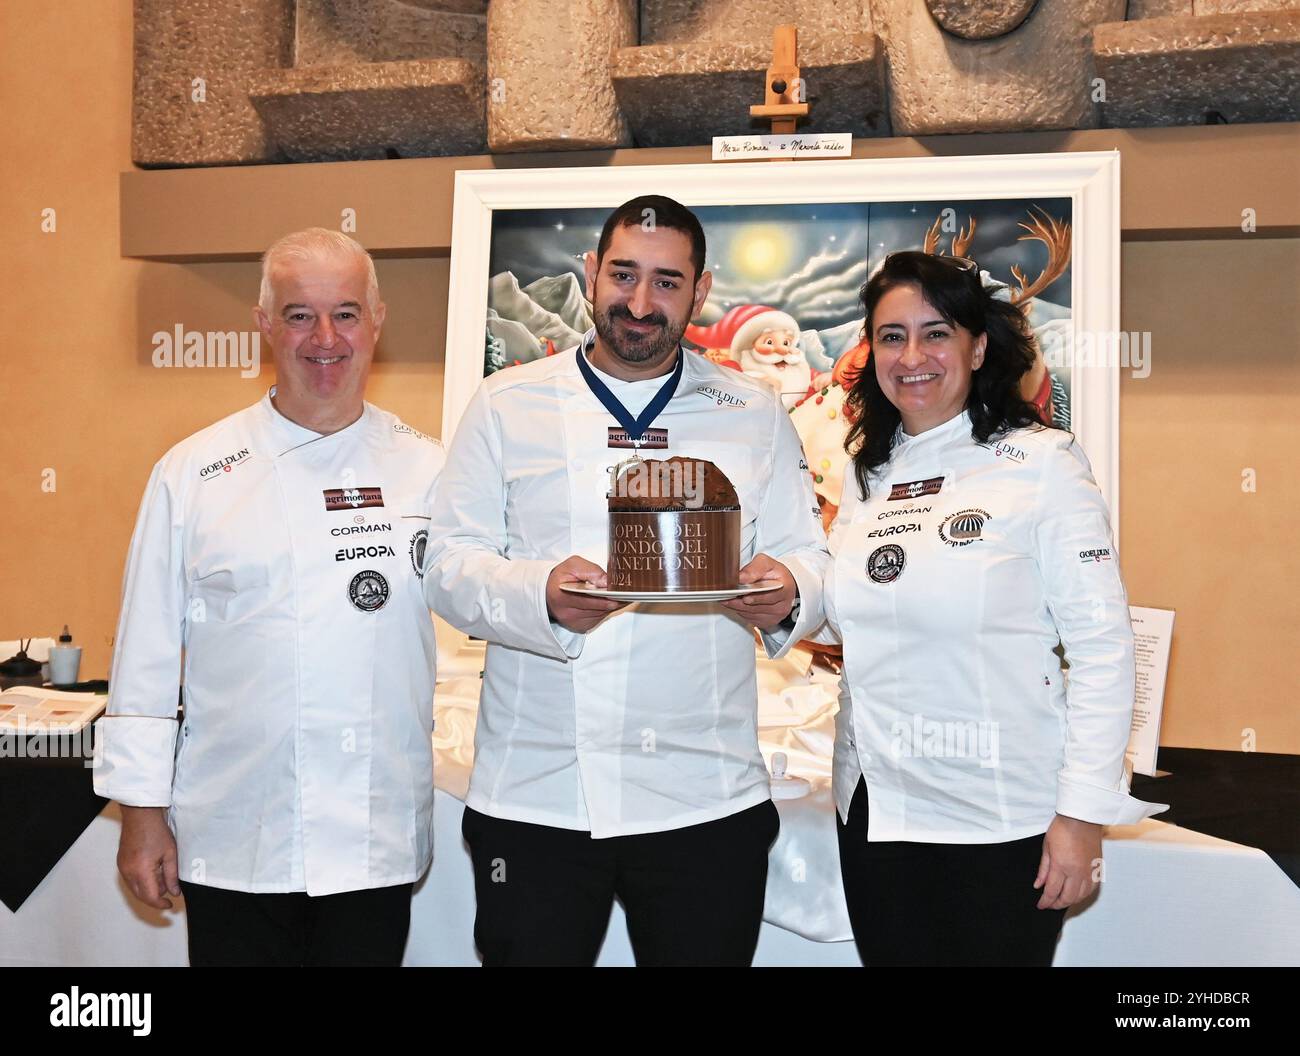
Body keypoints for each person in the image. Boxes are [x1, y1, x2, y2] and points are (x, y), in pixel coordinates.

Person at [424, 195, 830, 966]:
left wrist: (788, 593)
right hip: (537, 793)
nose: (640, 304)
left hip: (706, 796)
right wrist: (538, 594)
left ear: (699, 293)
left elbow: (810, 557)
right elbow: (447, 563)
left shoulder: (751, 410)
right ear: (590, 273)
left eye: (667, 282)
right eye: (623, 275)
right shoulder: (506, 403)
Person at [95, 228, 445, 966]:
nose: (325, 338)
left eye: (345, 313)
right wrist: (141, 814)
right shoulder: (193, 472)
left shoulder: (429, 468)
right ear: (263, 324)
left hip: (370, 831)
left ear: (377, 320)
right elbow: (146, 656)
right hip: (235, 831)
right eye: (298, 315)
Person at [818, 250, 1165, 967]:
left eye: (936, 332)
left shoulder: (1042, 464)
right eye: (891, 336)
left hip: (1000, 817)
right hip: (878, 810)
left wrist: (1080, 816)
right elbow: (846, 615)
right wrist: (768, 596)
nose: (912, 356)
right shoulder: (868, 474)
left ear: (977, 347)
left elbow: (1104, 648)